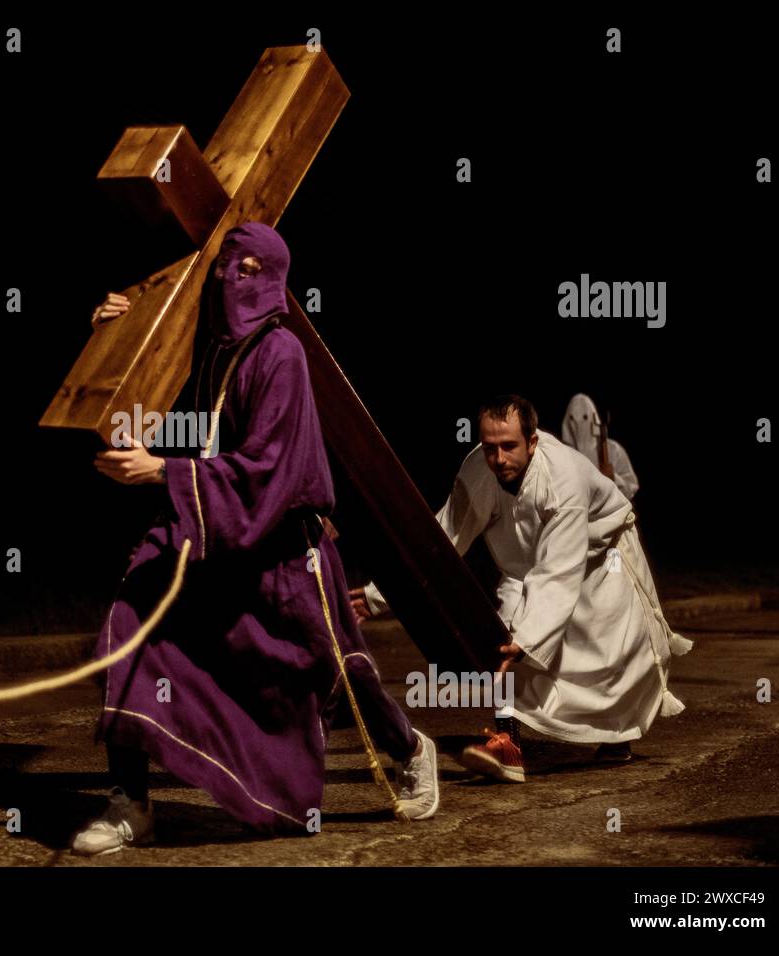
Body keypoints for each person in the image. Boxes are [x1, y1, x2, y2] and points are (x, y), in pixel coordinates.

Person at [71, 222, 439, 856]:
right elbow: (145, 365)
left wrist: (163, 470)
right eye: (224, 268)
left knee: (329, 670)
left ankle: (408, 746)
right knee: (131, 625)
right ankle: (131, 801)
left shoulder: (281, 354)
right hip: (213, 528)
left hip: (281, 545)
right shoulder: (208, 347)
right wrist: (118, 325)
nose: (229, 281)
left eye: (248, 271)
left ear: (272, 282)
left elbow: (272, 468)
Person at [352, 395, 690, 783]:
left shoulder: (563, 478)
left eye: (509, 446)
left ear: (532, 441)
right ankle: (507, 744)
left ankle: (615, 737)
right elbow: (446, 535)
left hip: (601, 561)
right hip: (529, 569)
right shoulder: (479, 467)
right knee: (504, 638)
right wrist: (382, 592)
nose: (498, 458)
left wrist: (531, 637)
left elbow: (558, 570)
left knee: (608, 662)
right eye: (490, 446)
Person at [560, 393, 640, 500]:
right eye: (572, 418)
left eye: (585, 417)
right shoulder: (563, 455)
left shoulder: (613, 450)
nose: (578, 424)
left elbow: (632, 487)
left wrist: (614, 478)